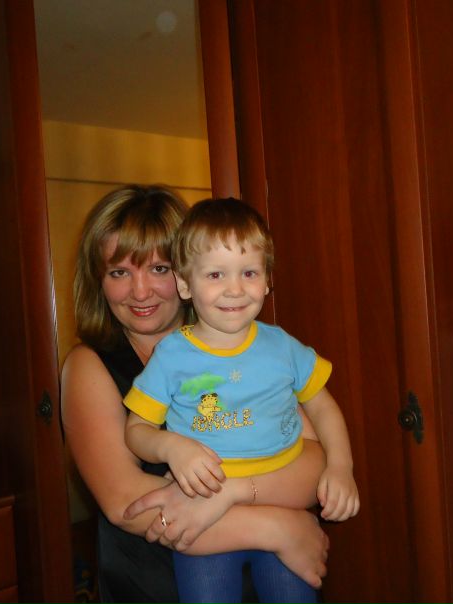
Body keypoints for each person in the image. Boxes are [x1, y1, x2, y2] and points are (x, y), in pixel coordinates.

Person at [61, 185, 330, 604]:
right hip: (155, 587)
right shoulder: (88, 366)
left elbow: (312, 461)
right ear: (98, 280)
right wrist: (279, 528)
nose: (140, 291)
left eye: (159, 269)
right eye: (119, 273)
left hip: (262, 582)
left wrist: (238, 492)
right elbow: (126, 504)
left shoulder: (244, 348)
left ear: (190, 271)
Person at [122, 197, 359, 603]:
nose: (234, 289)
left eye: (249, 272)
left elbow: (322, 407)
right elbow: (137, 431)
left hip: (283, 501)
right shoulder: (171, 356)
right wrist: (170, 446)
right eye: (215, 274)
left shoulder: (283, 346)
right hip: (204, 515)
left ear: (267, 280)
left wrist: (341, 467)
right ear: (185, 284)